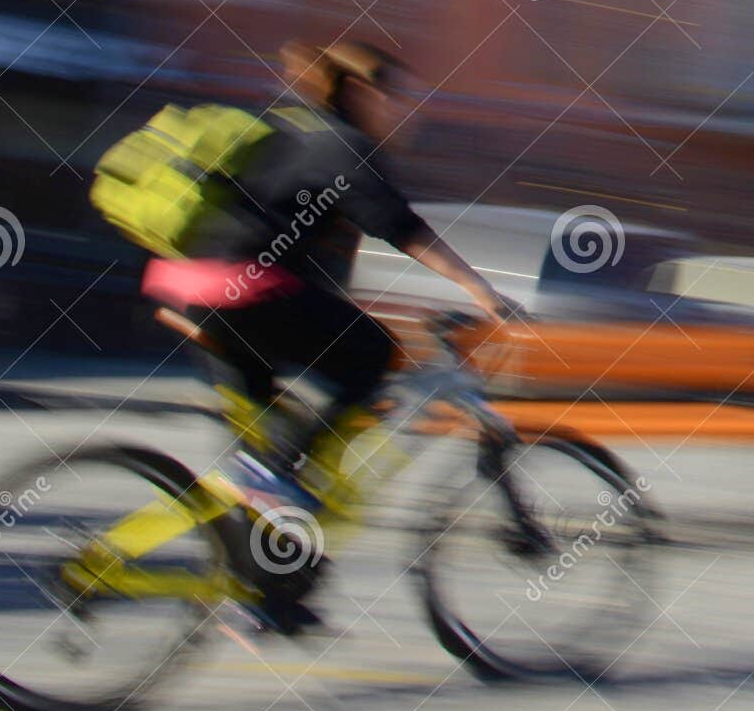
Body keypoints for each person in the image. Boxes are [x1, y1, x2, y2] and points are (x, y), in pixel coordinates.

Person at [141, 39, 514, 632]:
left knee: (283, 436)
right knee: (370, 354)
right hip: (244, 289)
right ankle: (270, 490)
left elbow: (309, 263)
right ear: (365, 93)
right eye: (404, 99)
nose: (410, 112)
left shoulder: (289, 129)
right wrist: (481, 292)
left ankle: (265, 592)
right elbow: (403, 229)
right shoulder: (346, 145)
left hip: (192, 283)